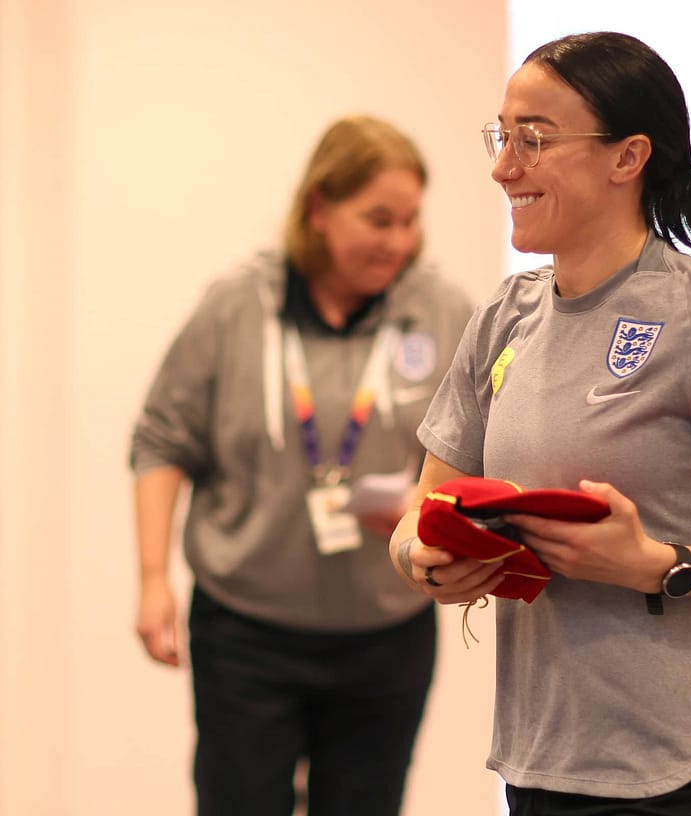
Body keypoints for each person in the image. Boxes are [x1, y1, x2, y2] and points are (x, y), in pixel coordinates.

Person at [388, 32, 691, 816]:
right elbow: (424, 511)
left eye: (533, 139)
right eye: (503, 137)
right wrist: (428, 562)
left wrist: (657, 563)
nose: (503, 167)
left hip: (687, 780)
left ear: (627, 158)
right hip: (539, 769)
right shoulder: (504, 317)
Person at [130, 114, 474, 816]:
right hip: (247, 636)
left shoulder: (441, 311)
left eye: (410, 221)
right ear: (319, 208)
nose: (398, 242)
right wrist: (151, 579)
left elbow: (482, 452)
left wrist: (433, 505)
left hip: (387, 636)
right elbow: (162, 441)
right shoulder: (237, 307)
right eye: (378, 219)